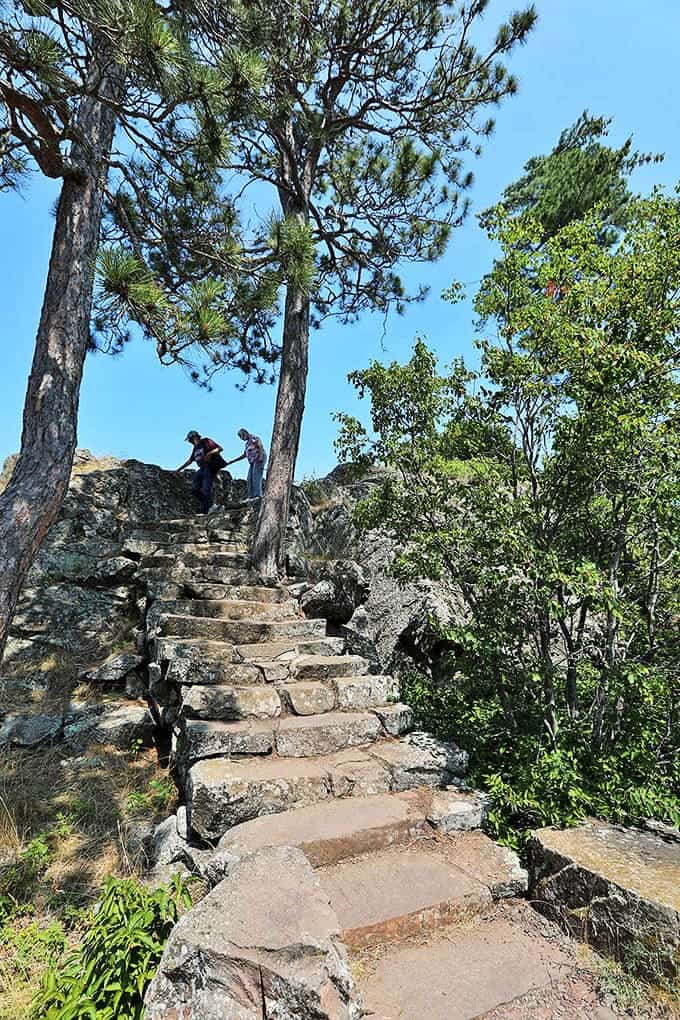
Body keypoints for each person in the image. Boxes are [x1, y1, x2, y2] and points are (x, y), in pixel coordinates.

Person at [176, 430, 226, 514]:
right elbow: (190, 460)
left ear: (195, 437)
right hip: (202, 468)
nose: (190, 442)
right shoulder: (195, 448)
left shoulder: (206, 441)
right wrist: (178, 470)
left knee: (206, 489)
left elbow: (220, 449)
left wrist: (209, 453)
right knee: (194, 489)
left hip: (210, 467)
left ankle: (206, 510)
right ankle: (211, 505)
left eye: (190, 440)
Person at [225, 428, 266, 500]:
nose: (241, 439)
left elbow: (260, 446)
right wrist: (233, 461)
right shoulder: (247, 444)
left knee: (256, 477)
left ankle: (258, 495)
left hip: (258, 458)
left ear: (245, 433)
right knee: (249, 478)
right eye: (240, 437)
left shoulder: (253, 438)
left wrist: (260, 457)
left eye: (241, 436)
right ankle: (251, 496)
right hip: (252, 462)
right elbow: (244, 455)